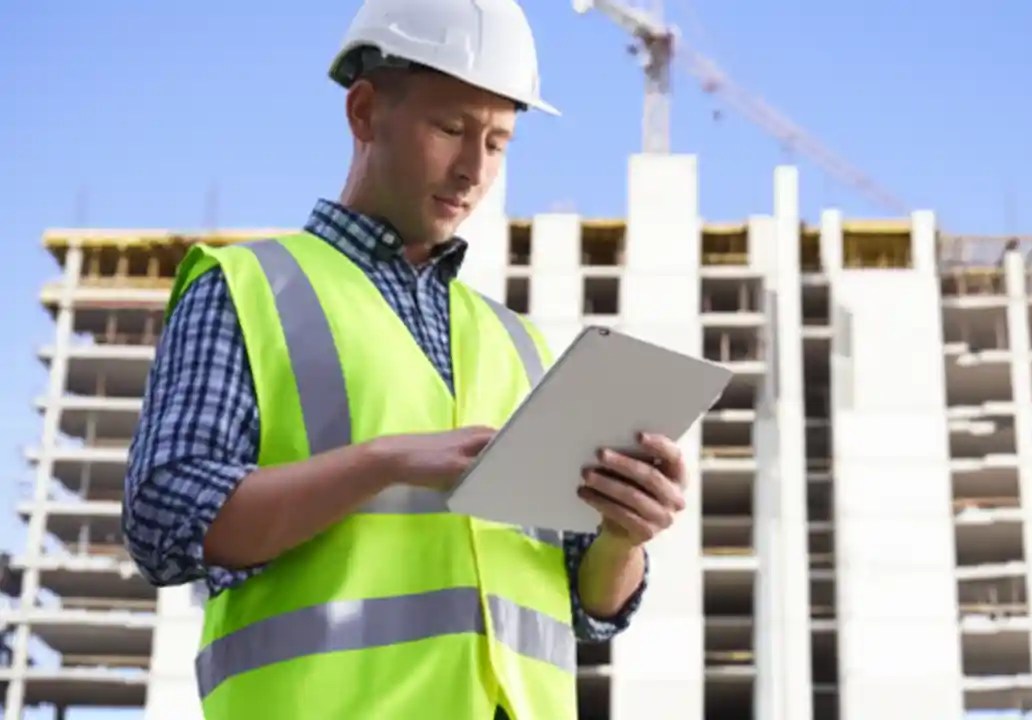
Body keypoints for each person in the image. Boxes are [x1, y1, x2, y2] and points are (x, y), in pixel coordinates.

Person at [121, 1, 690, 718]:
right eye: (449, 129)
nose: (473, 169)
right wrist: (383, 462)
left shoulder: (520, 345)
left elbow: (587, 606)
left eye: (498, 142)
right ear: (364, 112)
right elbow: (164, 519)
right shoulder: (249, 289)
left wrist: (623, 535)